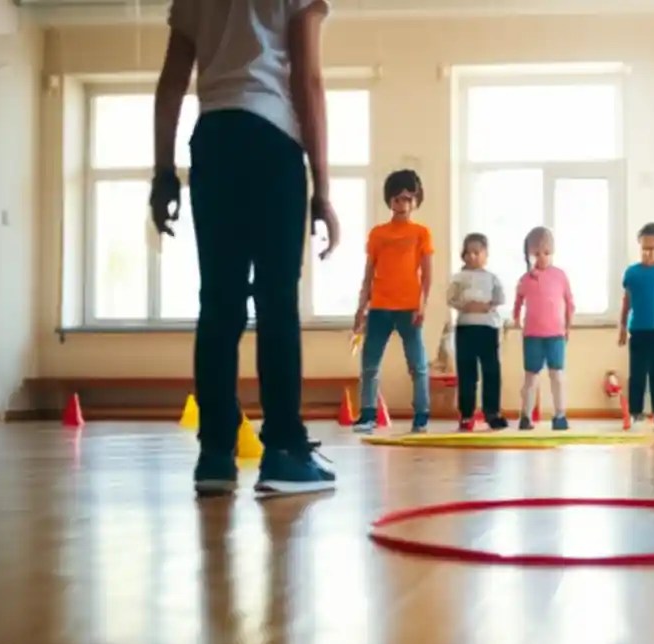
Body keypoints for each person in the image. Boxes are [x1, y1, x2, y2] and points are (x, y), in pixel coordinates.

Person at [151, 0, 338, 496]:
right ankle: (282, 450)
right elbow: (308, 82)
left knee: (219, 301)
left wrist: (164, 173)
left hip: (213, 139)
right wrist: (322, 189)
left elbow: (171, 82)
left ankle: (214, 455)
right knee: (276, 300)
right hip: (271, 138)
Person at [353, 169, 434, 434]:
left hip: (409, 307)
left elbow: (427, 274)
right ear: (389, 200)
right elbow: (368, 273)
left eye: (408, 199)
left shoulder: (421, 233)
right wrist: (361, 307)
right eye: (398, 199)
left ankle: (421, 414)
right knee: (370, 363)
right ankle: (367, 415)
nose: (403, 205)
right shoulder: (378, 234)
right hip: (380, 307)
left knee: (418, 364)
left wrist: (422, 304)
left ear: (416, 202)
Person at [511, 226, 574, 430]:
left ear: (552, 252)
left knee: (557, 375)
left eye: (546, 253)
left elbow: (570, 302)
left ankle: (560, 415)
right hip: (532, 335)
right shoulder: (526, 279)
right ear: (530, 254)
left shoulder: (560, 275)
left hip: (555, 334)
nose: (542, 258)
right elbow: (518, 302)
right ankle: (525, 416)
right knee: (531, 376)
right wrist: (516, 319)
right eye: (537, 254)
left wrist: (568, 326)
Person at [447, 232, 508, 431]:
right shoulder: (458, 277)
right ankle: (466, 414)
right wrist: (466, 305)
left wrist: (486, 305)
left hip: (488, 329)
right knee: (467, 372)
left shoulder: (492, 278)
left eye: (477, 252)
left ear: (485, 254)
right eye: (468, 253)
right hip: (465, 328)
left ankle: (492, 413)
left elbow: (500, 298)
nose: (472, 256)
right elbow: (451, 298)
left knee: (491, 370)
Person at [619, 222, 654, 430]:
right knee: (637, 373)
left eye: (652, 249)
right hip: (638, 331)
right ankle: (635, 413)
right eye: (644, 249)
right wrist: (622, 327)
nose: (648, 253)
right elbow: (626, 302)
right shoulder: (632, 273)